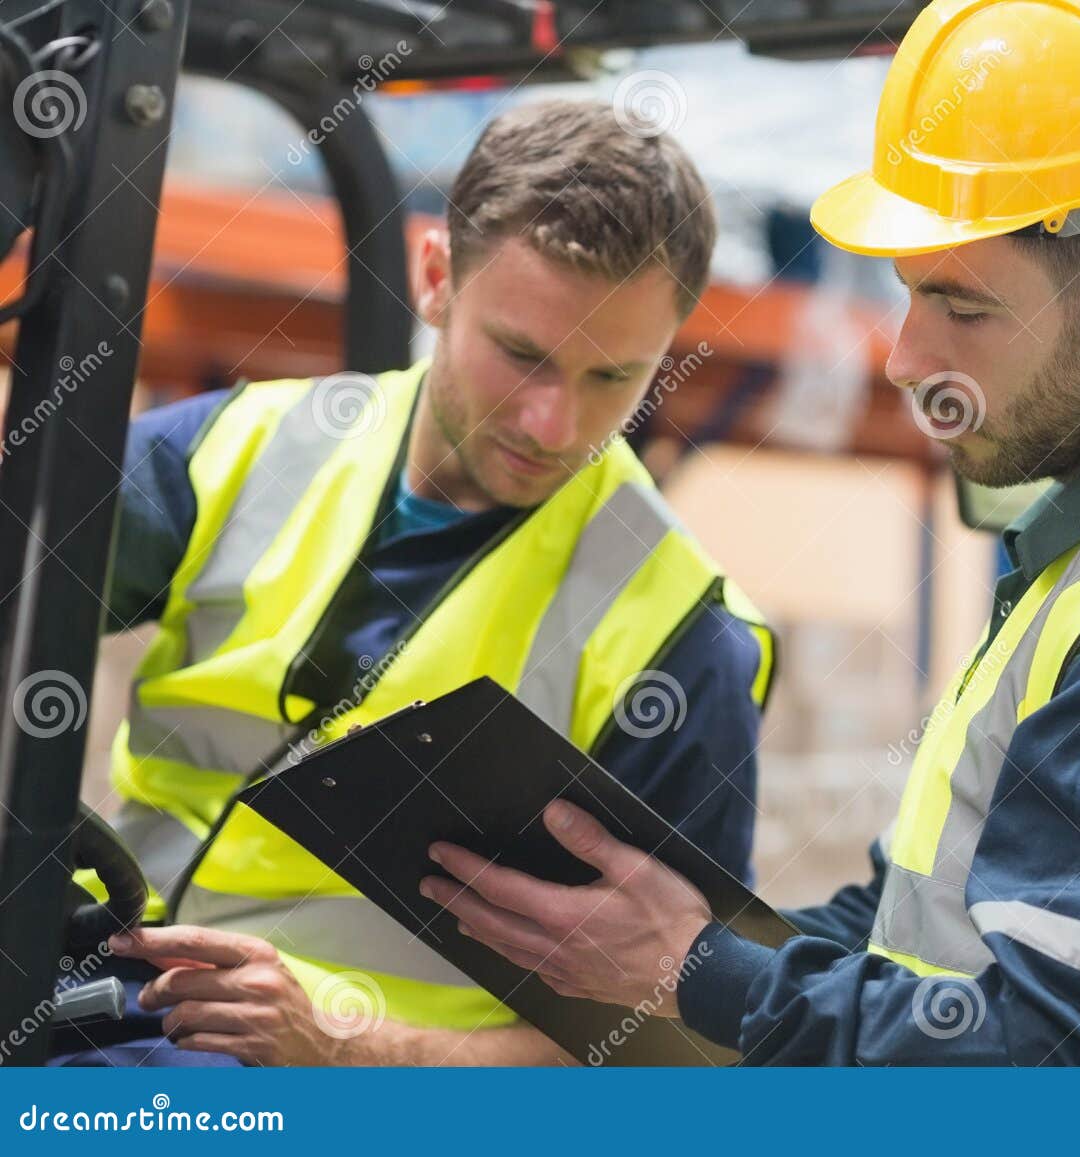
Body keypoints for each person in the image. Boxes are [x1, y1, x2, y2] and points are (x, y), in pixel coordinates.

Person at [418, 0, 1080, 1066]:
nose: (903, 355)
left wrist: (695, 967)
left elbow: (1069, 1073)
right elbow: (917, 942)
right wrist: (672, 953)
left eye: (960, 306)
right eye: (906, 294)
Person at [70, 100, 773, 1066]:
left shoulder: (683, 638)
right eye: (522, 355)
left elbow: (670, 1053)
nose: (551, 423)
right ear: (436, 278)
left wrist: (350, 1047)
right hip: (97, 990)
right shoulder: (238, 450)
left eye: (614, 377)